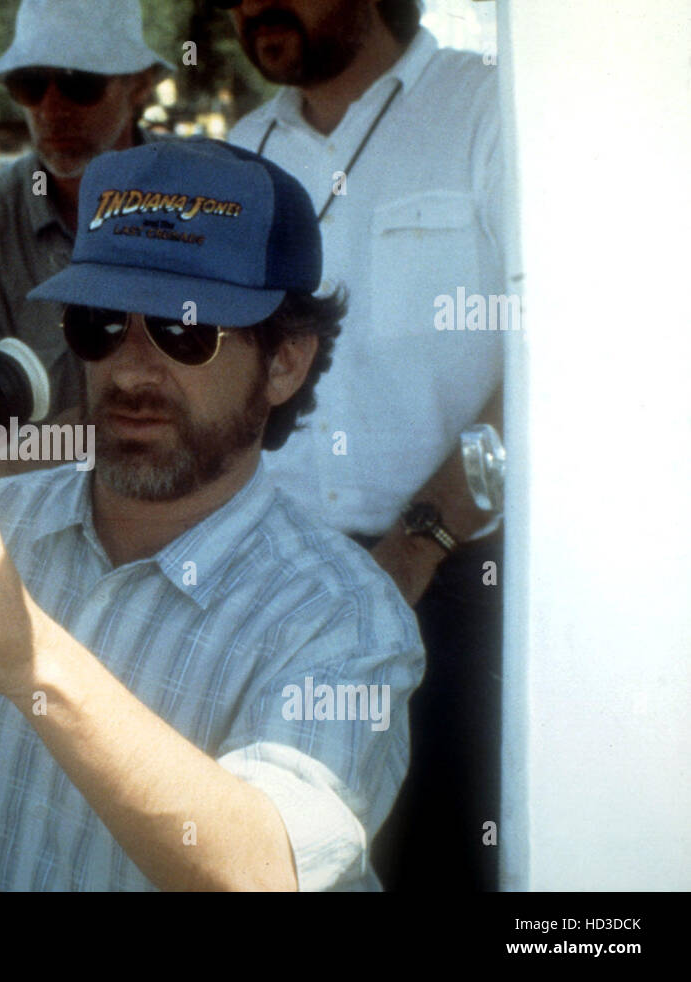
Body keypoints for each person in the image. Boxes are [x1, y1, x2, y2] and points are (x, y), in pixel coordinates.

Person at [0, 139, 424, 891]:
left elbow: (267, 870)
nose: (133, 368)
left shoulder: (342, 617)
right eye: (100, 324)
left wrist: (34, 658)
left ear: (286, 362)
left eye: (185, 331)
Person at [224, 0, 508, 889]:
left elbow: (550, 367)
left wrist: (420, 543)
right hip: (277, 587)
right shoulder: (243, 149)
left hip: (456, 586)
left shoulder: (488, 110)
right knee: (292, 859)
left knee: (445, 859)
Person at [0, 0, 169, 420]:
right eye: (29, 85)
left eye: (79, 83)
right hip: (34, 481)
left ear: (138, 85)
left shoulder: (203, 198)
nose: (51, 110)